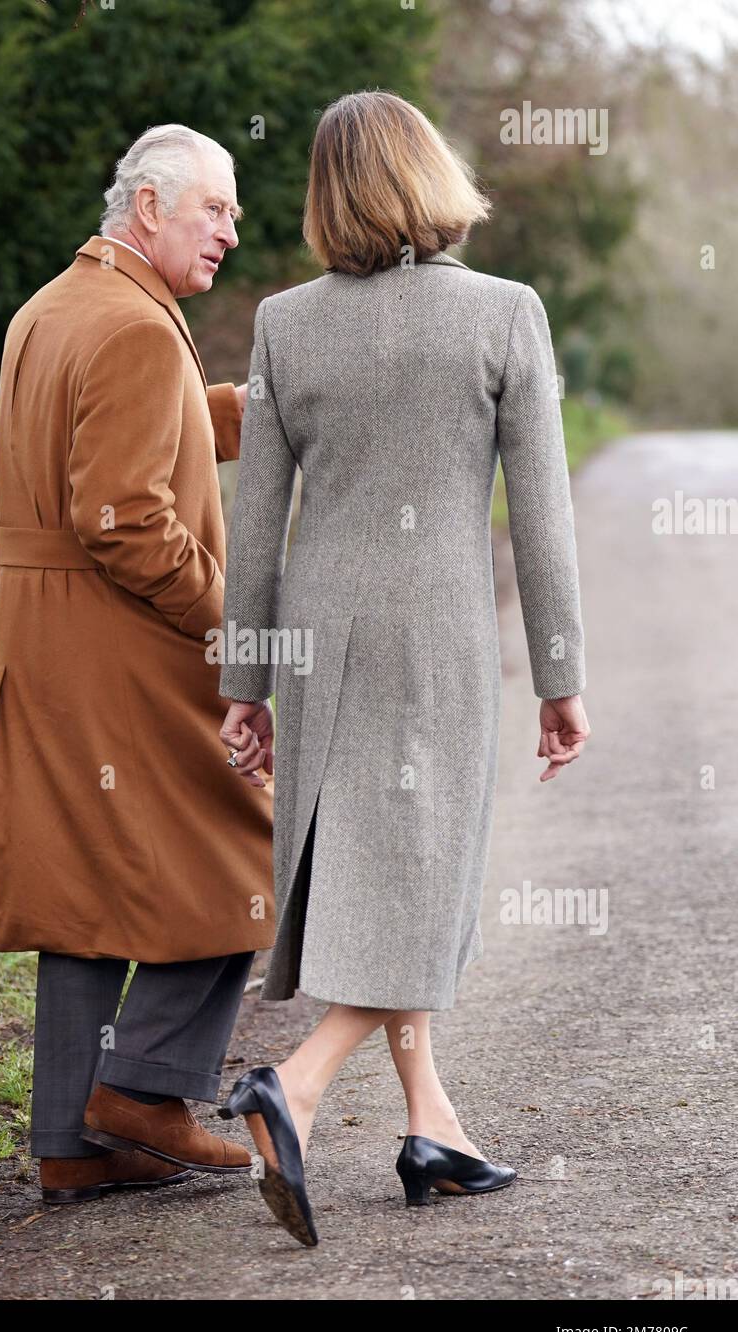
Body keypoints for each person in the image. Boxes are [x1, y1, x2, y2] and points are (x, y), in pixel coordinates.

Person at [216, 91, 591, 1246]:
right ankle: (301, 1083)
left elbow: (255, 518)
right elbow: (540, 512)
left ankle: (435, 1126)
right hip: (434, 635)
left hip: (320, 642)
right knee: (420, 876)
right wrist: (559, 674)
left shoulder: (283, 324)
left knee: (386, 878)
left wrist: (246, 683)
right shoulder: (503, 314)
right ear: (428, 175)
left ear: (325, 196)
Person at [0, 124, 276, 1206]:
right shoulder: (139, 329)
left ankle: (71, 1142)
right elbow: (126, 517)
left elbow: (106, 438)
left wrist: (235, 418)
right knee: (247, 841)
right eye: (215, 211)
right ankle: (143, 1091)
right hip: (116, 639)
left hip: (40, 634)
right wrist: (239, 622)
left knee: (81, 876)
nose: (232, 232)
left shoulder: (54, 305)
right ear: (148, 206)